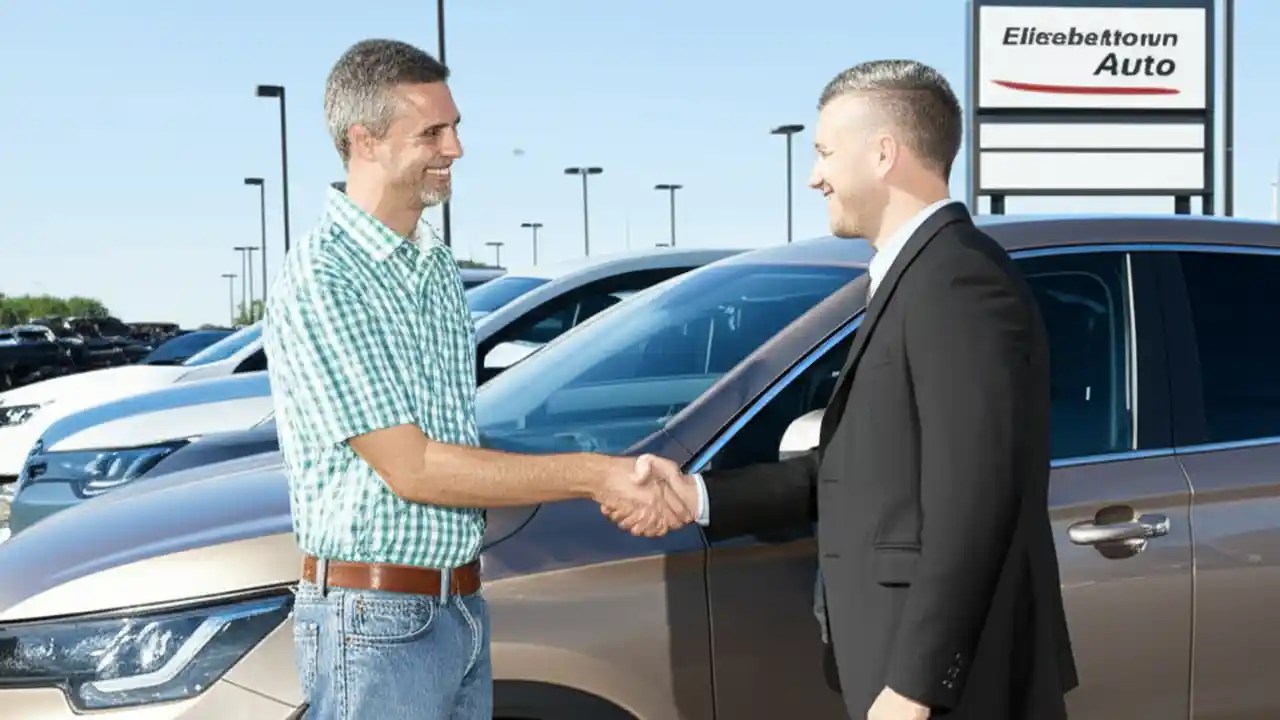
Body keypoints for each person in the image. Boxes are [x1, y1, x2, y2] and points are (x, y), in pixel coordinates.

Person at [607, 59, 1077, 719]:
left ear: (884, 153)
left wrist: (917, 686)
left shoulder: (958, 284)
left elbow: (976, 500)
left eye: (826, 152)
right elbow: (859, 467)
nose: (814, 174)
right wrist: (699, 495)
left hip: (948, 688)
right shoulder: (917, 277)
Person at [263, 39, 690, 720]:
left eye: (455, 126)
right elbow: (415, 467)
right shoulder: (326, 278)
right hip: (376, 626)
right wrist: (594, 475)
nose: (455, 147)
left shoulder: (431, 268)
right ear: (364, 141)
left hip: (458, 606)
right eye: (431, 132)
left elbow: (452, 440)